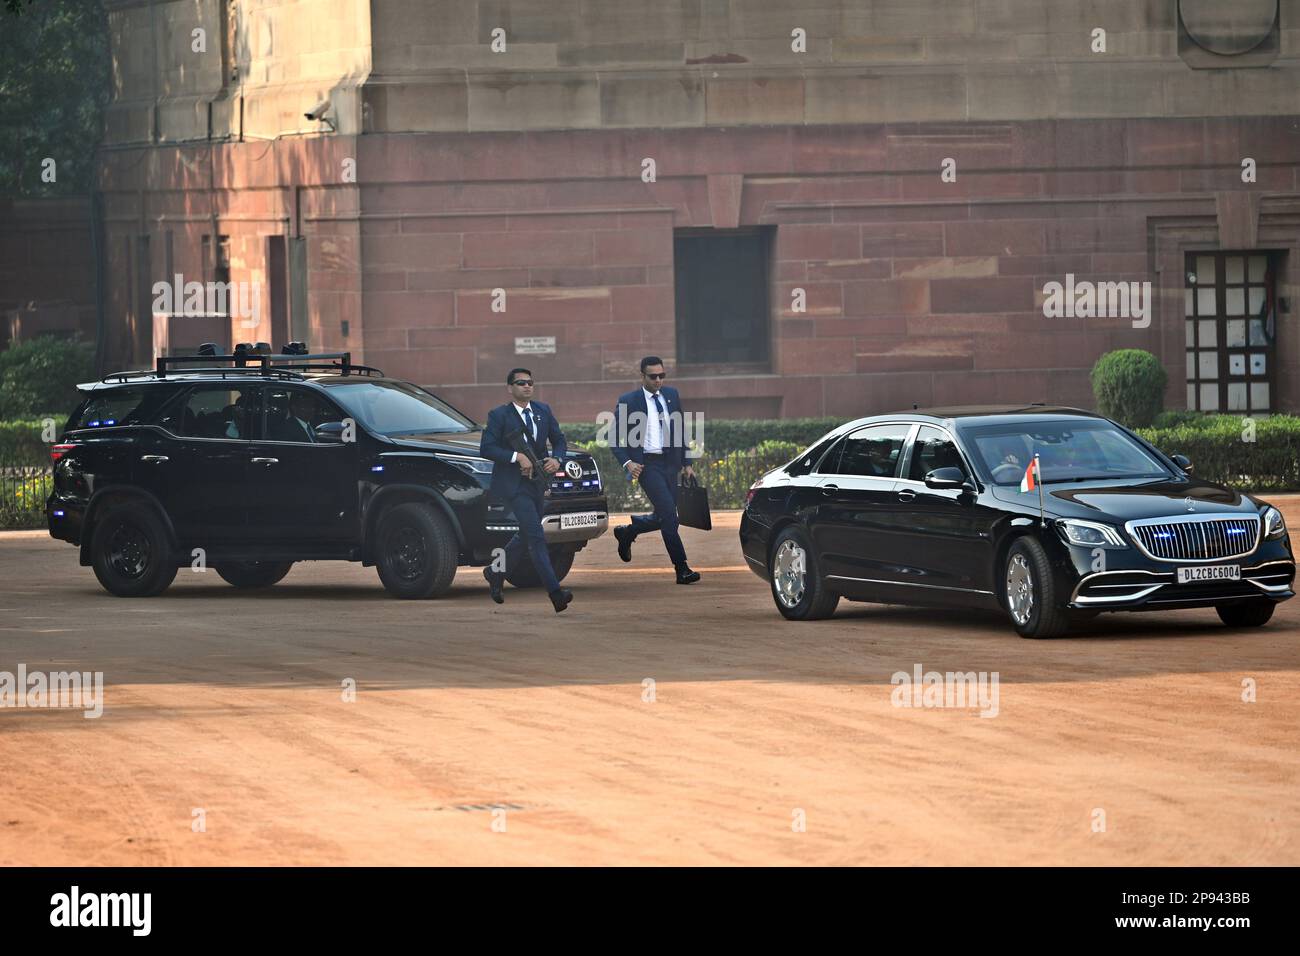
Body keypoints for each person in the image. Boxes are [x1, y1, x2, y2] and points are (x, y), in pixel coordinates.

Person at [479, 368, 573, 613]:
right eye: (521, 383)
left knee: (525, 533)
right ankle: (556, 593)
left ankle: (494, 572)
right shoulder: (499, 415)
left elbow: (559, 440)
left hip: (537, 483)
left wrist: (557, 460)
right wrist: (516, 456)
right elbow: (486, 449)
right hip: (513, 486)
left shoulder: (543, 411)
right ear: (510, 388)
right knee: (535, 536)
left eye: (530, 382)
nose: (527, 386)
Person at [610, 356, 700, 585]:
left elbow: (680, 429)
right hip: (646, 466)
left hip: (670, 463)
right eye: (653, 376)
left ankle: (629, 531)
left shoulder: (672, 395)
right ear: (642, 376)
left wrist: (687, 463)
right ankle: (682, 568)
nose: (658, 380)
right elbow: (613, 437)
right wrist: (628, 463)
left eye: (662, 376)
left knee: (666, 515)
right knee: (669, 514)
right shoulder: (628, 401)